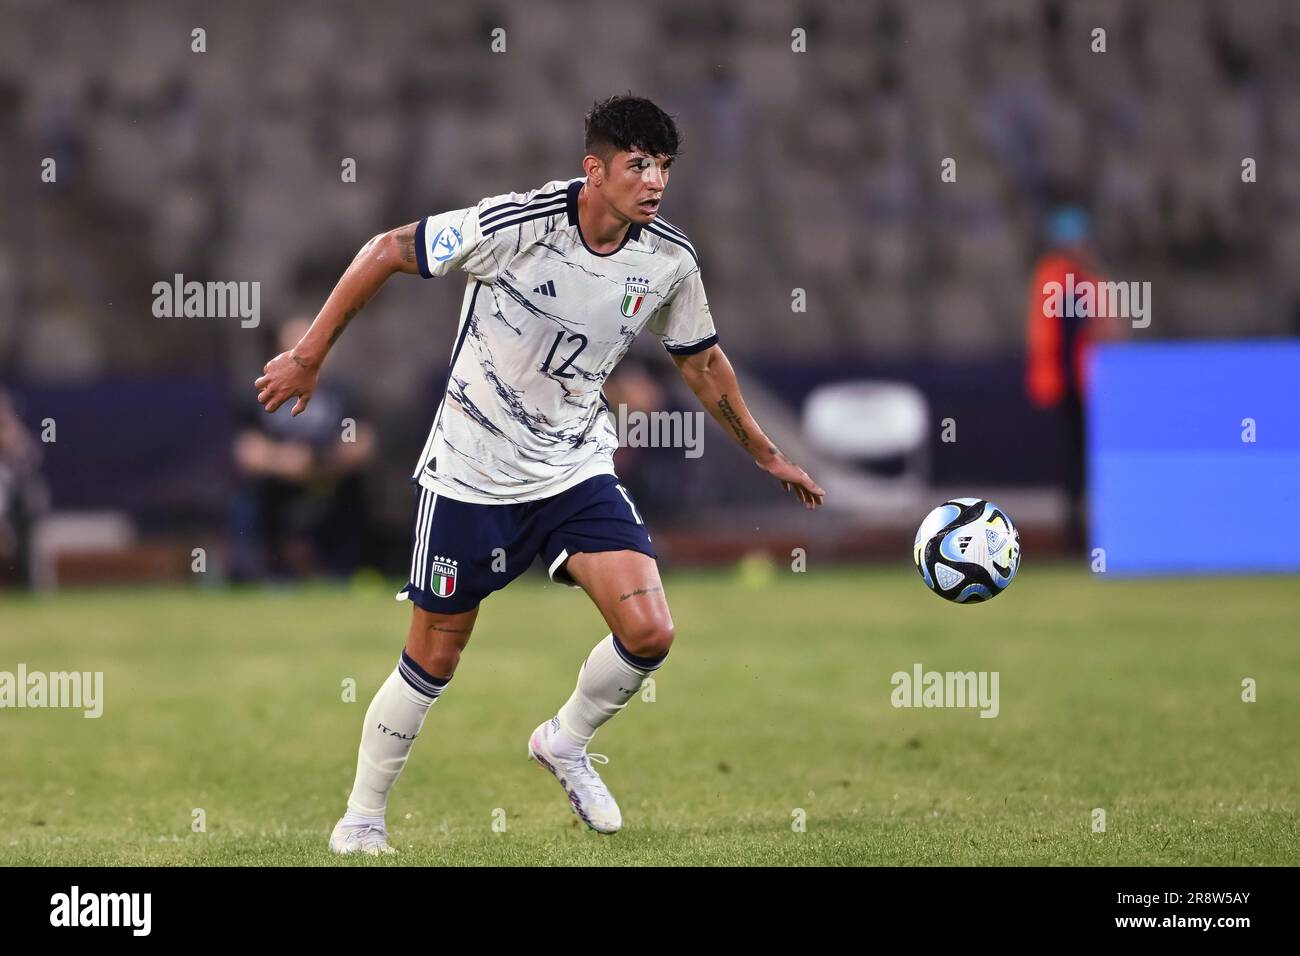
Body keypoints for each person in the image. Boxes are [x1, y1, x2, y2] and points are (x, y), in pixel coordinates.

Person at [254, 95, 825, 854]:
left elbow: (702, 362)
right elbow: (388, 248)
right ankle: (361, 819)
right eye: (638, 165)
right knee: (434, 658)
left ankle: (565, 741)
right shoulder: (517, 225)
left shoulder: (670, 260)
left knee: (650, 631)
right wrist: (308, 356)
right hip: (471, 471)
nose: (655, 182)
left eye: (664, 167)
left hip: (573, 467)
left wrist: (763, 451)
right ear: (595, 169)